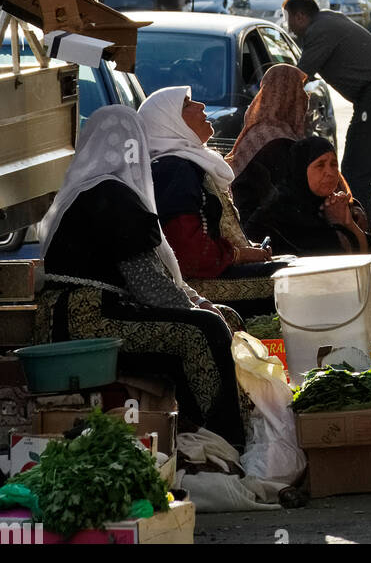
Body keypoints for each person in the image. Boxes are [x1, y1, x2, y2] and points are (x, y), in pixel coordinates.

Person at [36, 107, 246, 446]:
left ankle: (201, 428)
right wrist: (197, 308)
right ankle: (223, 438)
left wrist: (195, 302)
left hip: (71, 316)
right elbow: (152, 289)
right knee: (201, 330)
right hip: (87, 319)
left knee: (212, 319)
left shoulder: (89, 190)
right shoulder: (113, 196)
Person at [283, 0, 371, 246]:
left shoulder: (319, 31)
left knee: (355, 173)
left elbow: (300, 75)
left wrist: (274, 95)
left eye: (289, 20)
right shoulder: (330, 20)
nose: (289, 27)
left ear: (300, 16)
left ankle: (363, 241)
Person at [140, 87, 276, 318]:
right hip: (196, 284)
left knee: (293, 265)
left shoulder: (186, 162)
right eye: (186, 105)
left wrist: (249, 249)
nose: (201, 106)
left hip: (212, 269)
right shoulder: (173, 169)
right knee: (292, 277)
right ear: (168, 124)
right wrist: (239, 254)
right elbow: (187, 254)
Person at [244, 136, 371, 284]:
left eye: (333, 164)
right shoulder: (277, 214)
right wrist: (339, 230)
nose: (330, 173)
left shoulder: (334, 205)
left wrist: (348, 224)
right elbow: (333, 264)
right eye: (320, 165)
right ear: (301, 170)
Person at [227, 65, 311, 229]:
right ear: (290, 97)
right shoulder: (281, 143)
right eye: (299, 89)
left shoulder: (259, 132)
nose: (305, 96)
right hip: (268, 229)